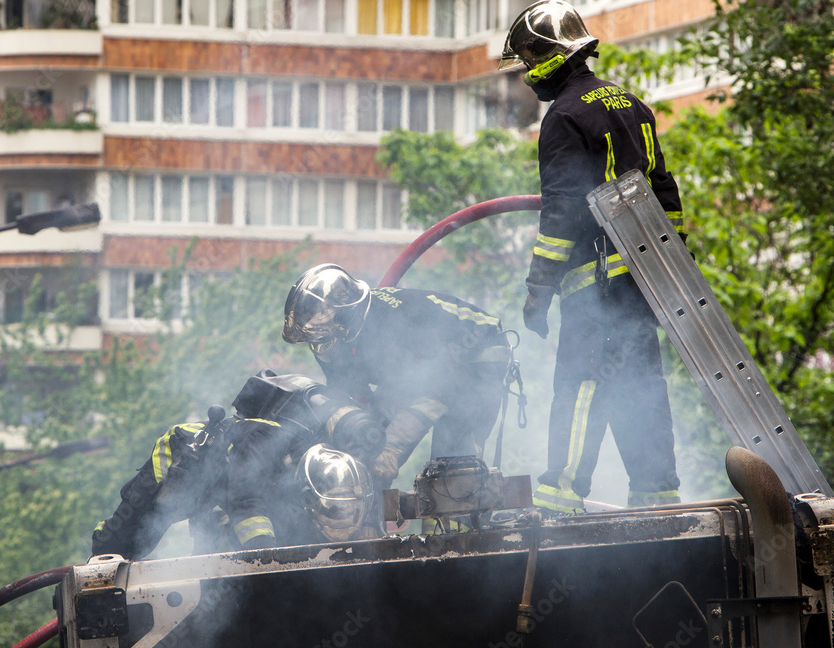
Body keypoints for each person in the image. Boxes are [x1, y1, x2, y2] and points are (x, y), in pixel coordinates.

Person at [499, 0, 684, 513]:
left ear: (547, 59)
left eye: (527, 64)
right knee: (641, 387)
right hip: (644, 284)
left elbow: (560, 213)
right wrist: (672, 269)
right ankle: (657, 497)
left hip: (595, 284)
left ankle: (559, 493)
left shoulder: (564, 117)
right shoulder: (632, 105)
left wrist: (539, 289)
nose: (526, 78)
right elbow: (664, 190)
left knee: (582, 383)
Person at [91, 371, 384, 560]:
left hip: (221, 489)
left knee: (218, 537)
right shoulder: (265, 441)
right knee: (129, 542)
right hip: (180, 463)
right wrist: (264, 555)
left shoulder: (324, 463)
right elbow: (245, 500)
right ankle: (103, 545)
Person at [282, 264, 512, 493]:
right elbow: (350, 398)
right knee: (369, 440)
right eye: (314, 340)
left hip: (475, 354)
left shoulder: (396, 324)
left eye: (324, 337)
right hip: (419, 371)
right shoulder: (332, 341)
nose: (320, 347)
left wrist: (391, 447)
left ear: (347, 321)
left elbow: (439, 386)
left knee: (452, 460)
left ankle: (461, 507)